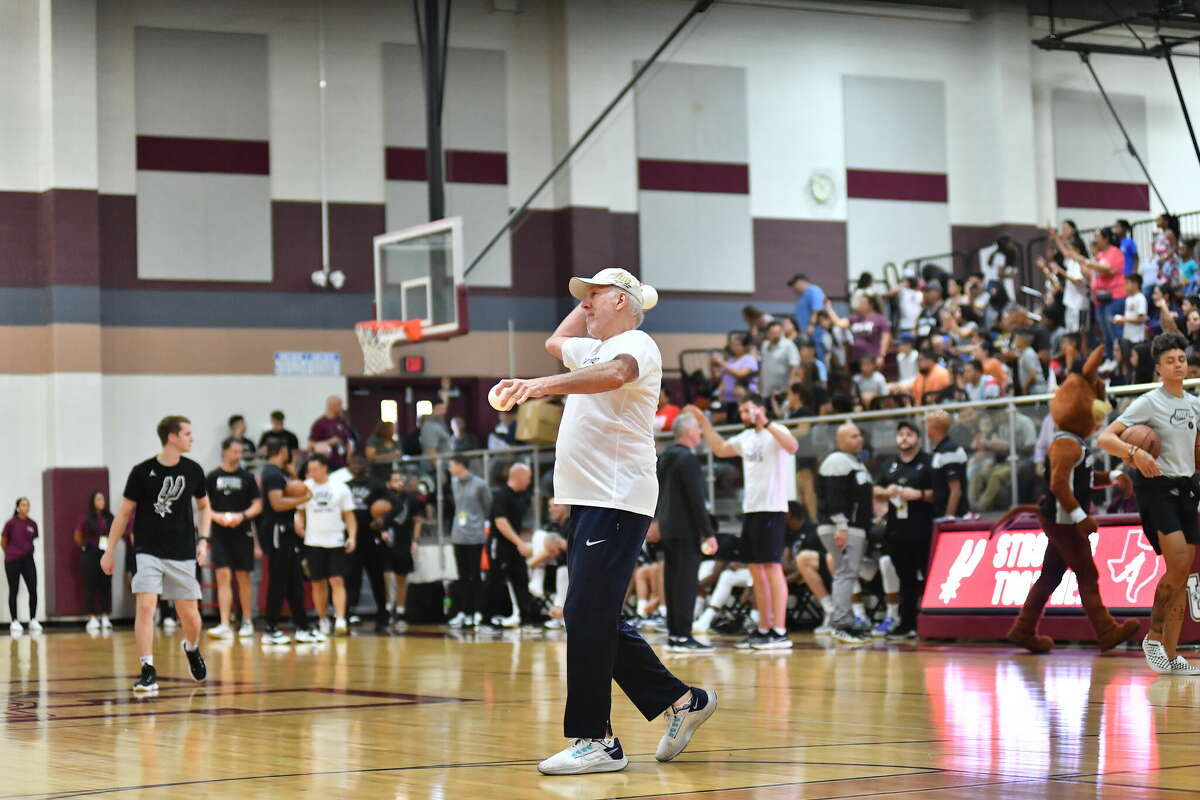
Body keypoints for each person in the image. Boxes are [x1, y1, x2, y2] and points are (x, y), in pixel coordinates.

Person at [492, 267, 716, 775]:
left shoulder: (639, 343)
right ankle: (683, 702)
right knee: (591, 614)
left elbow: (616, 374)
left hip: (618, 497)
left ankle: (596, 739)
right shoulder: (589, 348)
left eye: (594, 297)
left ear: (621, 300)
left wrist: (539, 385)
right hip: (589, 499)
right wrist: (590, 302)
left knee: (586, 612)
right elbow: (557, 340)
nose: (585, 305)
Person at [1098, 332, 1200, 675]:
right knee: (1178, 563)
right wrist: (1135, 451)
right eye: (1170, 361)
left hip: (1187, 489)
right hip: (1156, 488)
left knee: (1183, 572)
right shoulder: (1148, 402)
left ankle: (1171, 654)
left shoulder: (1194, 404)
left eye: (1181, 359)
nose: (1178, 365)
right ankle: (1153, 638)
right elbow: (1105, 437)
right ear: (1158, 368)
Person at [99, 416, 210, 692]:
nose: (191, 438)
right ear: (172, 437)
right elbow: (124, 513)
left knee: (190, 615)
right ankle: (147, 668)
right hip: (147, 550)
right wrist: (109, 550)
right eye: (187, 433)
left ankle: (192, 647)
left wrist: (204, 540)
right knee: (146, 606)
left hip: (183, 551)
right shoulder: (142, 471)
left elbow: (205, 507)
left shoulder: (194, 470)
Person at [689, 394, 798, 650]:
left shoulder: (776, 430)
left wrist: (767, 422)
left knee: (772, 568)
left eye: (747, 408)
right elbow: (720, 448)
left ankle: (779, 631)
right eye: (741, 410)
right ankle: (763, 628)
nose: (743, 414)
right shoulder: (745, 437)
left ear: (760, 408)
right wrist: (704, 423)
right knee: (755, 570)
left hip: (772, 509)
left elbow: (792, 446)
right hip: (751, 510)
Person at [655, 413, 717, 652]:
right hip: (686, 529)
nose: (700, 433)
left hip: (669, 527)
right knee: (686, 583)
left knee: (673, 581)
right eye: (698, 429)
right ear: (689, 431)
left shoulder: (666, 457)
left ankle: (675, 634)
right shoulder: (688, 460)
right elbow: (696, 501)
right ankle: (683, 635)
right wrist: (708, 532)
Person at [874, 422, 933, 640]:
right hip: (897, 531)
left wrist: (917, 494)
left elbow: (939, 493)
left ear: (917, 438)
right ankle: (906, 623)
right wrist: (886, 491)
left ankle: (928, 621)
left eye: (909, 434)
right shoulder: (889, 465)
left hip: (923, 528)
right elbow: (876, 489)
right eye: (900, 434)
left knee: (927, 576)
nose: (904, 438)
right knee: (905, 578)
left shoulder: (927, 463)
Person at [816, 423, 874, 644]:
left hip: (853, 527)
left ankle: (845, 621)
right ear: (840, 441)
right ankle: (841, 624)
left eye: (860, 435)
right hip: (842, 527)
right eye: (853, 436)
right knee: (845, 573)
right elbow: (834, 496)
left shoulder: (855, 462)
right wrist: (841, 525)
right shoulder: (837, 461)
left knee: (848, 573)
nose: (859, 439)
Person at [258, 441, 320, 645]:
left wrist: (293, 474)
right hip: (277, 531)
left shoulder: (280, 472)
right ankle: (271, 628)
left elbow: (291, 489)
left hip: (287, 532)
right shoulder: (272, 474)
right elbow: (277, 504)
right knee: (278, 581)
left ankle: (302, 626)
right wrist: (303, 500)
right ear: (282, 451)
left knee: (295, 580)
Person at [205, 438, 262, 639]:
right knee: (223, 576)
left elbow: (258, 505)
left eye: (240, 452)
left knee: (243, 577)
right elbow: (204, 506)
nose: (238, 455)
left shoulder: (247, 477)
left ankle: (247, 620)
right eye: (235, 451)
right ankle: (224, 623)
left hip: (242, 532)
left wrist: (243, 516)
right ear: (225, 451)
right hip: (220, 533)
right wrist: (217, 517)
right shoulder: (212, 477)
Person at [298, 453, 357, 637]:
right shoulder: (304, 487)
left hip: (336, 540)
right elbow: (299, 511)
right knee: (317, 583)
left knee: (337, 580)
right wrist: (298, 523)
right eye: (310, 470)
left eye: (315, 469)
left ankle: (340, 619)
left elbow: (350, 516)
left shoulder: (341, 488)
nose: (312, 473)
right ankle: (323, 619)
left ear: (325, 468)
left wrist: (352, 536)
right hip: (313, 541)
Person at [343, 454, 392, 633]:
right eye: (354, 462)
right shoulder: (345, 487)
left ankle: (382, 617)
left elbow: (393, 505)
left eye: (360, 461)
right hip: (352, 539)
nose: (357, 465)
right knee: (350, 580)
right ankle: (345, 616)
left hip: (373, 539)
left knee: (377, 580)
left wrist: (383, 521)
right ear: (348, 465)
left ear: (366, 464)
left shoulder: (377, 486)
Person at [485, 463, 536, 627]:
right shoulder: (501, 495)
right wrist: (520, 542)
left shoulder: (521, 496)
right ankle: (491, 618)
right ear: (518, 476)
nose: (529, 482)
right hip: (500, 544)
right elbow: (501, 523)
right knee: (497, 580)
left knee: (521, 578)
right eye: (528, 478)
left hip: (514, 544)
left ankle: (526, 618)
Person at [447, 455, 491, 628]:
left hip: (475, 535)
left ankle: (478, 612)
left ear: (460, 465)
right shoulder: (454, 483)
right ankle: (464, 612)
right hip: (458, 534)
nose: (450, 469)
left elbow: (488, 507)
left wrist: (480, 524)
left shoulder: (480, 484)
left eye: (452, 465)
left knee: (476, 575)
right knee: (462, 576)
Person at [378, 471, 422, 624]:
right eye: (395, 480)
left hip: (404, 542)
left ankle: (401, 611)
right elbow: (376, 519)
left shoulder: (411, 499)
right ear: (389, 483)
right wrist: (381, 530)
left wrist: (415, 540)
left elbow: (417, 521)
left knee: (401, 578)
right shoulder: (383, 499)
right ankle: (388, 608)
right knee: (385, 577)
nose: (399, 483)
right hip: (386, 542)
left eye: (401, 480)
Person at [75, 490, 114, 632]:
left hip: (106, 553)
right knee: (90, 585)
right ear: (93, 502)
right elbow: (78, 535)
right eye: (98, 499)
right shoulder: (86, 517)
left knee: (106, 584)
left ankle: (105, 616)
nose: (101, 502)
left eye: (102, 499)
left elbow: (116, 533)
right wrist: (84, 546)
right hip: (91, 554)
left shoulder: (109, 517)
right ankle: (92, 617)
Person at [3, 498, 40, 635]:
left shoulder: (32, 524)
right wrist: (10, 553)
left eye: (27, 505)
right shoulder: (11, 523)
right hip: (12, 561)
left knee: (33, 588)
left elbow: (32, 540)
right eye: (23, 505)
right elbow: (4, 541)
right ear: (18, 507)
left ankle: (33, 619)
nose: (26, 507)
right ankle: (14, 621)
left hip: (28, 561)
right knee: (14, 589)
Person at [926, 410, 967, 520]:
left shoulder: (949, 451)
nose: (926, 428)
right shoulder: (940, 450)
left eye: (928, 424)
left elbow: (955, 490)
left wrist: (948, 518)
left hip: (954, 517)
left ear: (935, 427)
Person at [308, 395, 354, 469]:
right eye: (340, 405)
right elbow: (310, 445)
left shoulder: (342, 421)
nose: (341, 408)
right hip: (328, 464)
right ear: (333, 406)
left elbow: (348, 439)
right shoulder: (320, 424)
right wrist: (329, 442)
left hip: (343, 463)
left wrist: (349, 455)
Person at [758, 320, 800, 400]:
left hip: (782, 391)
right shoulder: (765, 345)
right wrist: (759, 383)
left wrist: (790, 384)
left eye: (778, 333)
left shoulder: (788, 345)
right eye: (773, 333)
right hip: (766, 390)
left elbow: (794, 365)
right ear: (768, 333)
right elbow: (763, 365)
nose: (776, 335)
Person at [1115, 273, 1147, 343]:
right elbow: (1129, 317)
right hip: (1127, 336)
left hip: (1137, 338)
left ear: (1135, 284)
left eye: (1127, 283)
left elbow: (1141, 319)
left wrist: (1124, 319)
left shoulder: (1141, 299)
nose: (1125, 286)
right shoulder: (1128, 299)